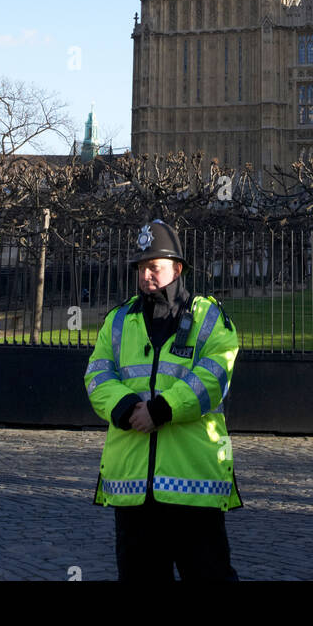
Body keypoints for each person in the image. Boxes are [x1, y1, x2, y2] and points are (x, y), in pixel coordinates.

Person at [84, 218, 241, 581]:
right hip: (133, 488)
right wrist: (124, 408)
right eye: (141, 267)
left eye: (153, 267)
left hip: (192, 486)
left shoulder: (208, 317)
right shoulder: (119, 320)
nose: (146, 276)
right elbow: (97, 375)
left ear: (178, 269)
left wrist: (162, 410)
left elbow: (216, 374)